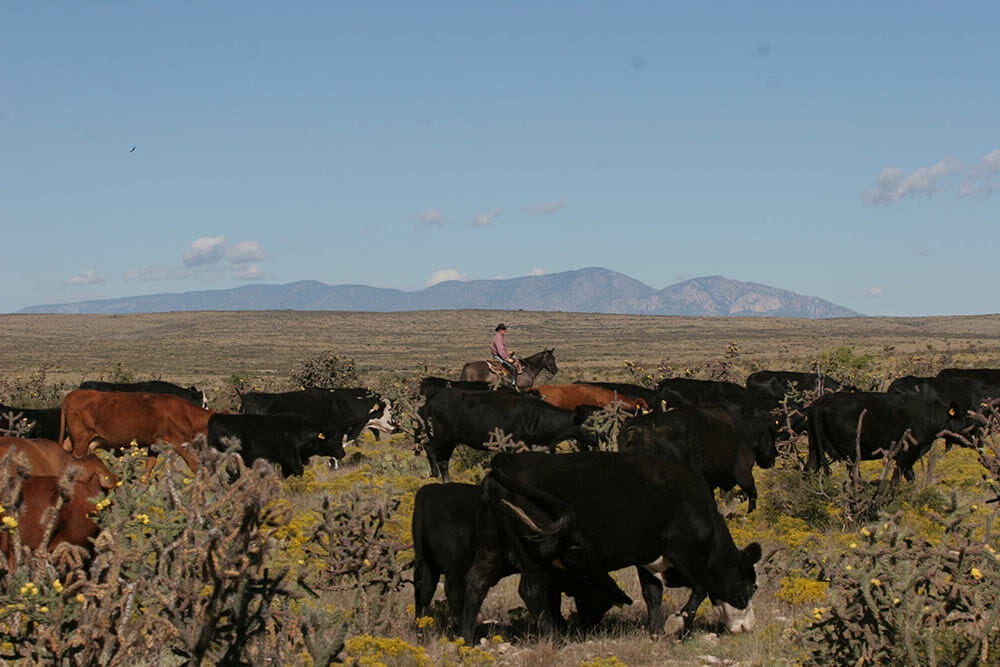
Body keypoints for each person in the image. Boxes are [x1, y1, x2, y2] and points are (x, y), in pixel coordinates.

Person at [491, 323, 519, 388]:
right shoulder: (499, 338)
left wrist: (509, 353)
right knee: (514, 369)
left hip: (499, 355)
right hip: (499, 357)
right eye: (503, 329)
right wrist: (507, 358)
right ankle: (513, 385)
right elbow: (500, 351)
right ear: (500, 330)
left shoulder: (499, 337)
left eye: (505, 329)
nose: (505, 331)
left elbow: (502, 349)